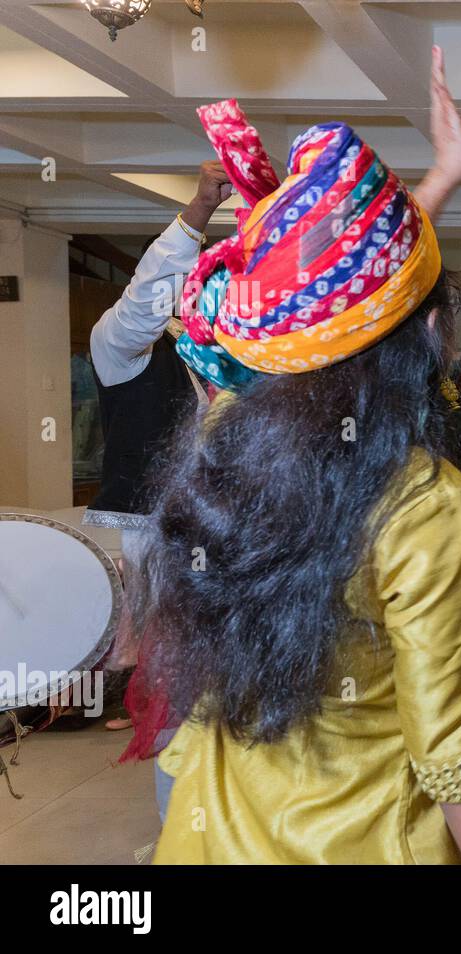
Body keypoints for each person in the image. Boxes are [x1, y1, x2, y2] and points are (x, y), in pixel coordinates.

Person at [135, 48, 461, 865]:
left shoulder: (229, 439)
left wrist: (433, 187)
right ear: (430, 335)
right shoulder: (427, 511)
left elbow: (327, 313)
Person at [80, 161, 232, 742]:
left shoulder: (210, 351)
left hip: (221, 531)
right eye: (190, 276)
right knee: (176, 684)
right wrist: (198, 214)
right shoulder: (118, 343)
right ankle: (183, 822)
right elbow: (145, 302)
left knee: (220, 687)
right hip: (159, 533)